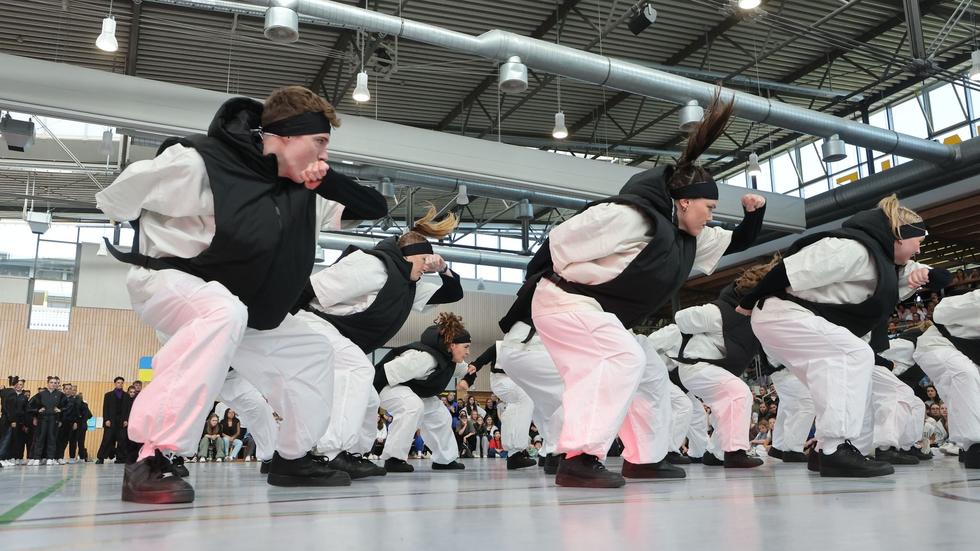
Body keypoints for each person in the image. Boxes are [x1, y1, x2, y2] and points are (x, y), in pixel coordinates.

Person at [95, 86, 388, 503]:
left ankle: (292, 458)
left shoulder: (302, 189)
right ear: (284, 136)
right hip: (168, 281)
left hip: (241, 302)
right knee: (222, 311)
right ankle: (150, 456)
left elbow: (374, 207)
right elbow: (119, 197)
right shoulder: (203, 164)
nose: (324, 154)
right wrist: (148, 224)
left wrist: (329, 179)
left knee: (312, 352)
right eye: (319, 142)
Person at [505, 91, 767, 487]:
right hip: (564, 301)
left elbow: (737, 242)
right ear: (685, 202)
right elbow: (559, 242)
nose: (712, 216)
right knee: (622, 356)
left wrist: (754, 215)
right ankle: (578, 458)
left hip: (597, 311)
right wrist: (540, 288)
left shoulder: (687, 238)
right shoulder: (630, 216)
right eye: (710, 208)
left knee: (650, 372)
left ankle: (644, 458)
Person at [741, 194, 949, 477]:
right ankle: (833, 450)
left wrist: (927, 275)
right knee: (854, 354)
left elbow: (935, 275)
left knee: (835, 375)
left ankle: (824, 450)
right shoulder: (853, 248)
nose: (919, 249)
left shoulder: (885, 262)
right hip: (782, 313)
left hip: (788, 316)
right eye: (919, 242)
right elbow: (788, 270)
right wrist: (749, 300)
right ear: (900, 236)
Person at [296, 205, 463, 479]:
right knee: (357, 369)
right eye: (424, 261)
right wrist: (277, 323)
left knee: (369, 397)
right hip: (313, 324)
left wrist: (443, 267)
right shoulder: (373, 265)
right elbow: (312, 288)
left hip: (338, 337)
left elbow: (452, 293)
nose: (426, 268)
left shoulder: (409, 285)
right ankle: (329, 453)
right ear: (408, 256)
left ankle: (353, 454)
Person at [672, 262, 778, 469]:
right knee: (739, 393)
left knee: (729, 405)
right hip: (697, 366)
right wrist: (694, 335)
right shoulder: (719, 312)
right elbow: (681, 318)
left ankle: (715, 452)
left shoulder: (755, 319)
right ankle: (735, 453)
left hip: (712, 369)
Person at [374, 312, 471, 473]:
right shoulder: (425, 358)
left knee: (440, 414)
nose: (468, 352)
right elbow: (384, 372)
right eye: (466, 347)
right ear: (452, 345)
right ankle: (393, 459)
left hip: (411, 390)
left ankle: (444, 460)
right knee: (412, 406)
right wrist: (369, 400)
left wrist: (469, 379)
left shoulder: (450, 360)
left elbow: (469, 370)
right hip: (386, 386)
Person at [913, 289, 980, 468]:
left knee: (965, 392)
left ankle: (965, 446)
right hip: (937, 345)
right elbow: (941, 311)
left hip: (963, 352)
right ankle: (975, 446)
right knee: (965, 374)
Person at [459, 343, 539, 470]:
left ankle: (513, 455)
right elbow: (485, 357)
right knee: (526, 399)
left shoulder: (528, 346)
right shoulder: (502, 345)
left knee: (515, 407)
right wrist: (474, 367)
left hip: (516, 382)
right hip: (501, 380)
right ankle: (517, 450)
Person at [28, 376, 67, 466]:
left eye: (55, 383)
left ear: (57, 384)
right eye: (51, 382)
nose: (53, 384)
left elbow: (68, 406)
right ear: (48, 383)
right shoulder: (41, 394)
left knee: (52, 438)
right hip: (43, 419)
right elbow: (30, 405)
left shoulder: (61, 395)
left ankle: (50, 458)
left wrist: (61, 409)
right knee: (40, 438)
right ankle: (37, 458)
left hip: (54, 419)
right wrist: (37, 410)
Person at [97, 377, 132, 464]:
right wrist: (106, 420)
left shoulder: (127, 396)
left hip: (122, 421)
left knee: (122, 440)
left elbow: (128, 410)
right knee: (107, 439)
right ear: (115, 383)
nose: (120, 384)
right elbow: (105, 409)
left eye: (122, 383)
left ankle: (121, 458)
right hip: (111, 420)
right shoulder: (108, 395)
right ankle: (101, 458)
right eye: (118, 382)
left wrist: (126, 420)